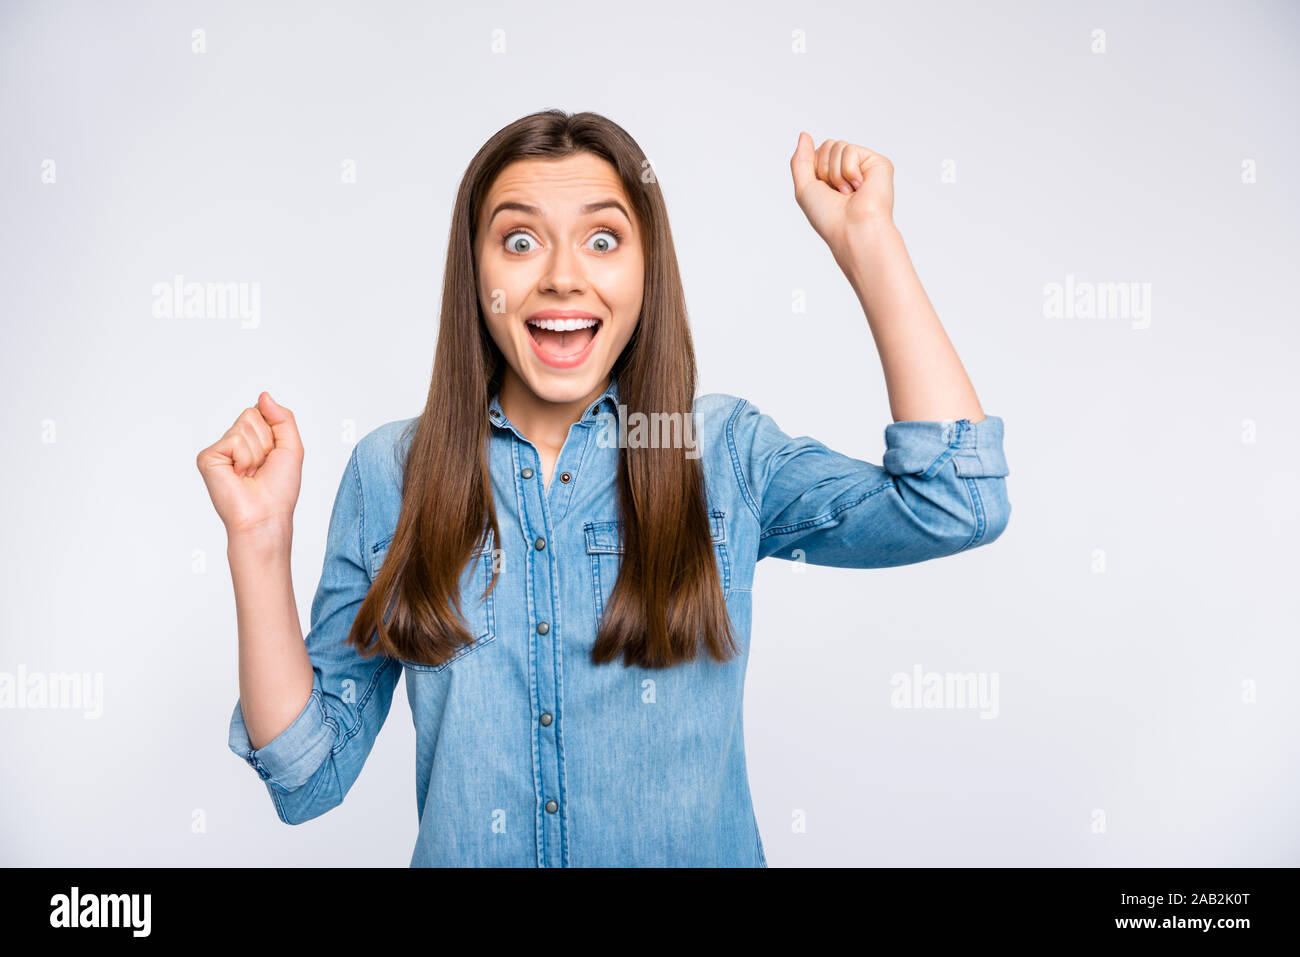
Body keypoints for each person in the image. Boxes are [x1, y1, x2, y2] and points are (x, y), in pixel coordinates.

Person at [195, 109, 1011, 867]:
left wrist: (869, 245)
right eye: (519, 241)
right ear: (475, 273)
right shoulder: (393, 473)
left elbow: (955, 503)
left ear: (646, 269)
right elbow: (308, 778)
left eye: (602, 240)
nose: (560, 277)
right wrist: (258, 543)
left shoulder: (717, 450)